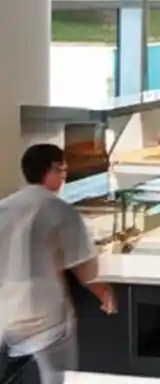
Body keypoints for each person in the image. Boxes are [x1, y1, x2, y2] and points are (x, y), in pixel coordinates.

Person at [1, 144, 117, 383]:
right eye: (62, 170)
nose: (65, 176)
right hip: (45, 319)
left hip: (7, 316)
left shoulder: (4, 206)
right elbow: (85, 267)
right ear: (51, 171)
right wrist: (105, 293)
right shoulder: (60, 210)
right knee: (55, 377)